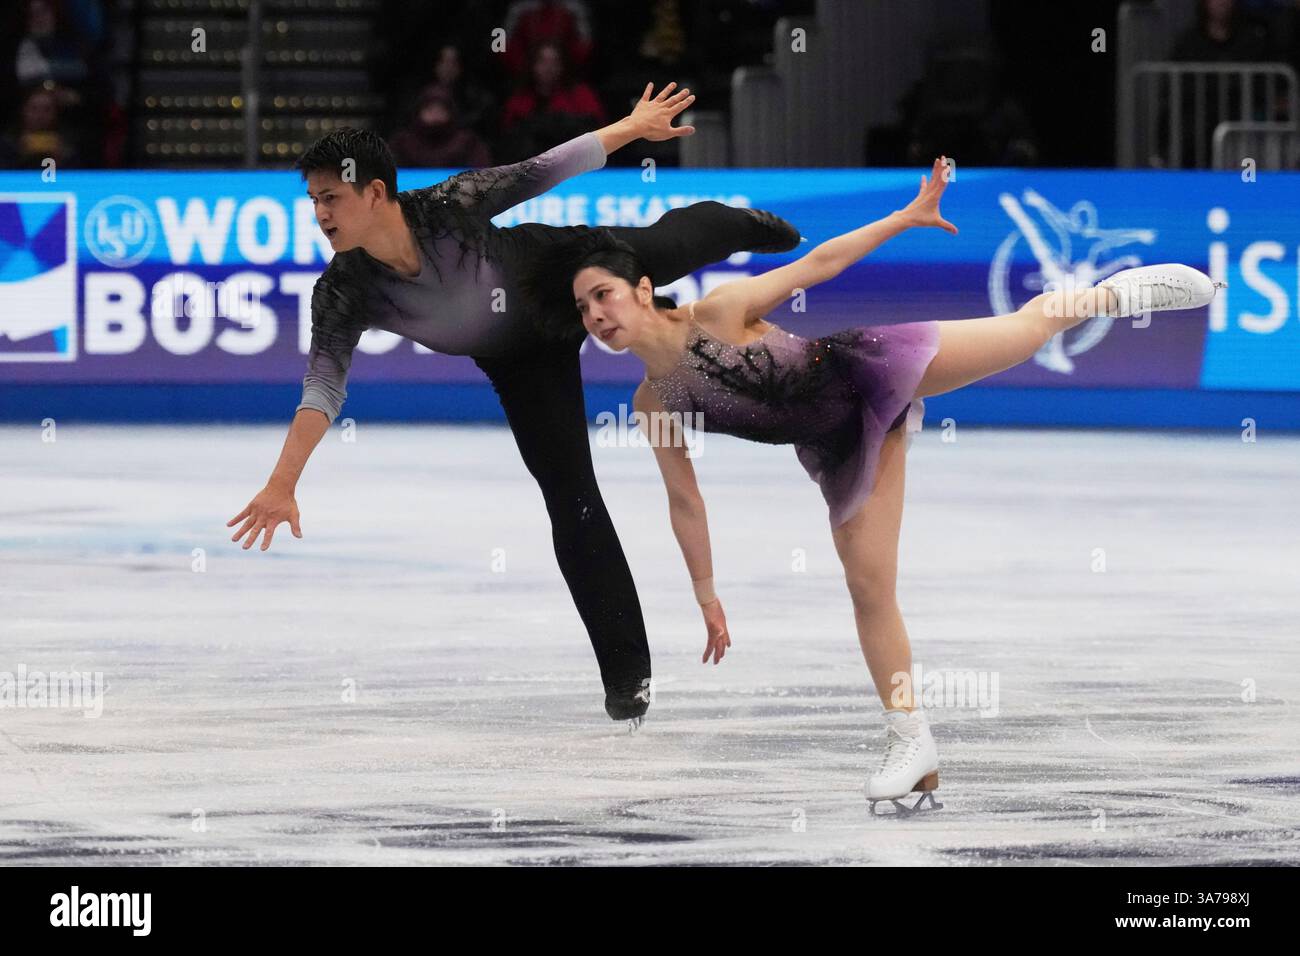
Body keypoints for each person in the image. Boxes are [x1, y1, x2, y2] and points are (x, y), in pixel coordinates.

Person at [550, 157, 1222, 811]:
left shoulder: (720, 312)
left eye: (603, 294)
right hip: (837, 443)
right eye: (583, 308)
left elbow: (819, 264)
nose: (596, 314)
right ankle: (913, 745)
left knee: (1028, 331)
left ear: (640, 289)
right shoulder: (653, 405)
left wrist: (905, 216)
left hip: (866, 368)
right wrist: (707, 594)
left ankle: (1113, 295)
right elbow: (684, 498)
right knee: (868, 585)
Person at [226, 82, 801, 727]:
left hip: (560, 272)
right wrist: (282, 485)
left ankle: (741, 223)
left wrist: (633, 128)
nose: (320, 215)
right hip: (520, 361)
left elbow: (543, 170)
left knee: (663, 250)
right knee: (570, 495)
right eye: (314, 202)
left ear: (375, 193)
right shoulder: (343, 291)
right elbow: (324, 387)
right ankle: (628, 676)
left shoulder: (448, 206)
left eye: (329, 198)